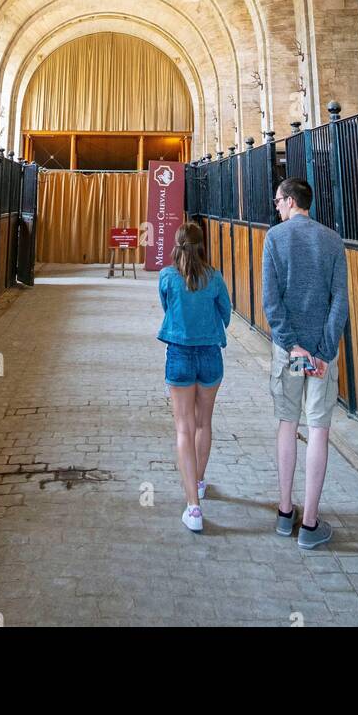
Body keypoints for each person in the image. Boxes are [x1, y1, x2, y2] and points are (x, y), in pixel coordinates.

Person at [262, 177, 348, 548]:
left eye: (278, 201)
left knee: (287, 422)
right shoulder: (332, 240)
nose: (277, 207)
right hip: (320, 354)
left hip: (291, 353)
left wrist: (291, 346)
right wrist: (324, 352)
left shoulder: (275, 239)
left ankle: (285, 512)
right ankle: (310, 524)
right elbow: (339, 300)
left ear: (292, 200)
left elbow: (271, 299)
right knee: (318, 429)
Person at [157, 222, 232, 532]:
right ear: (202, 245)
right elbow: (226, 314)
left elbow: (166, 308)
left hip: (179, 355)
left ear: (177, 245)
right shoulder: (214, 278)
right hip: (210, 356)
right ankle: (199, 481)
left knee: (184, 428)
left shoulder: (167, 277)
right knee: (204, 423)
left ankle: (193, 507)